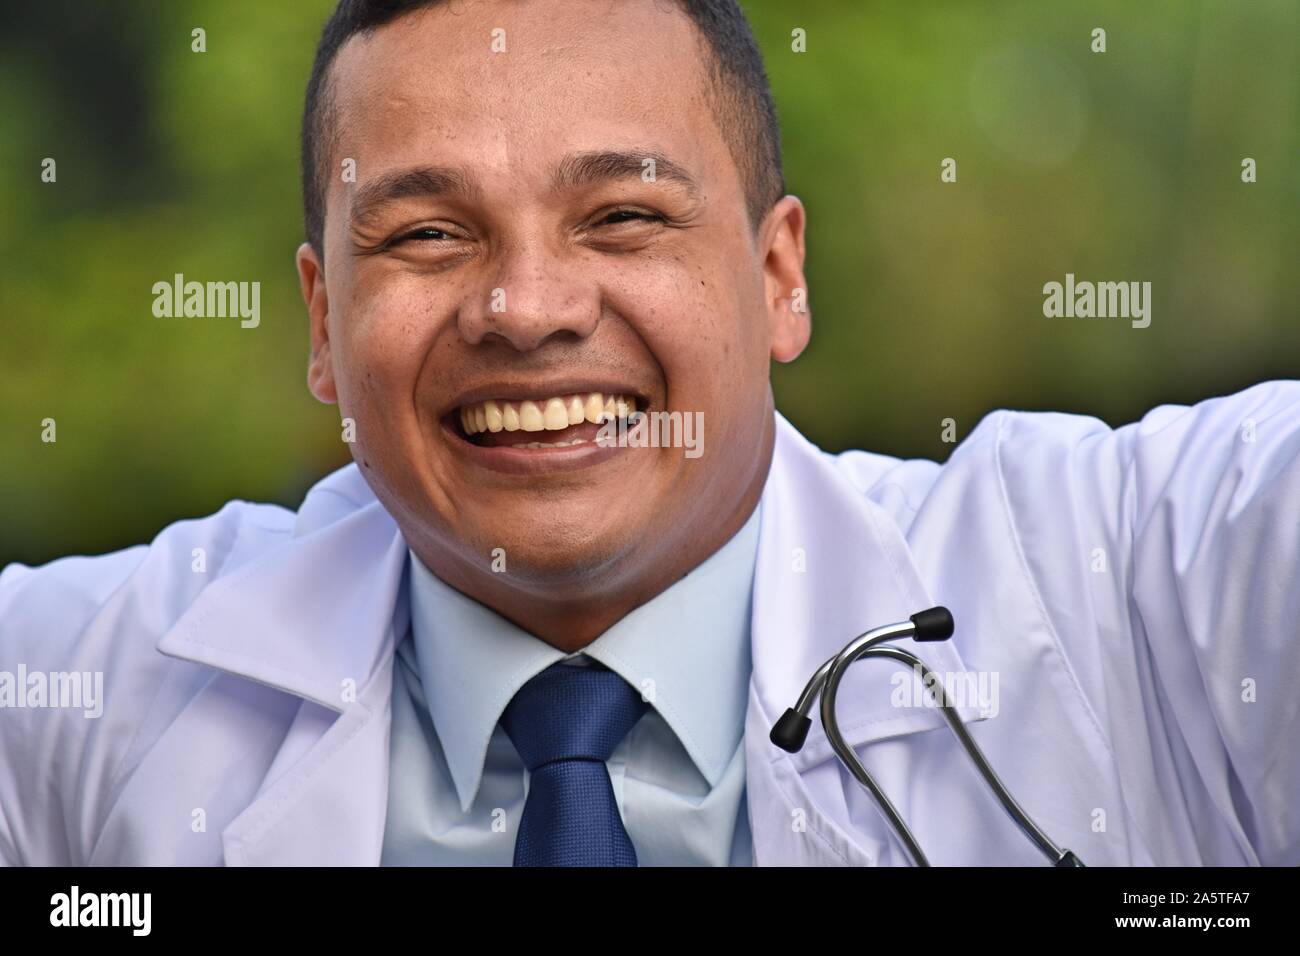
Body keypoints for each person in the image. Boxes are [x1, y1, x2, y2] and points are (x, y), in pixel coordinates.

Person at [1, 0, 1296, 867]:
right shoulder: (80, 694)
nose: (527, 311)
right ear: (324, 324)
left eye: (622, 216)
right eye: (428, 236)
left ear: (780, 276)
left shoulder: (1134, 592)